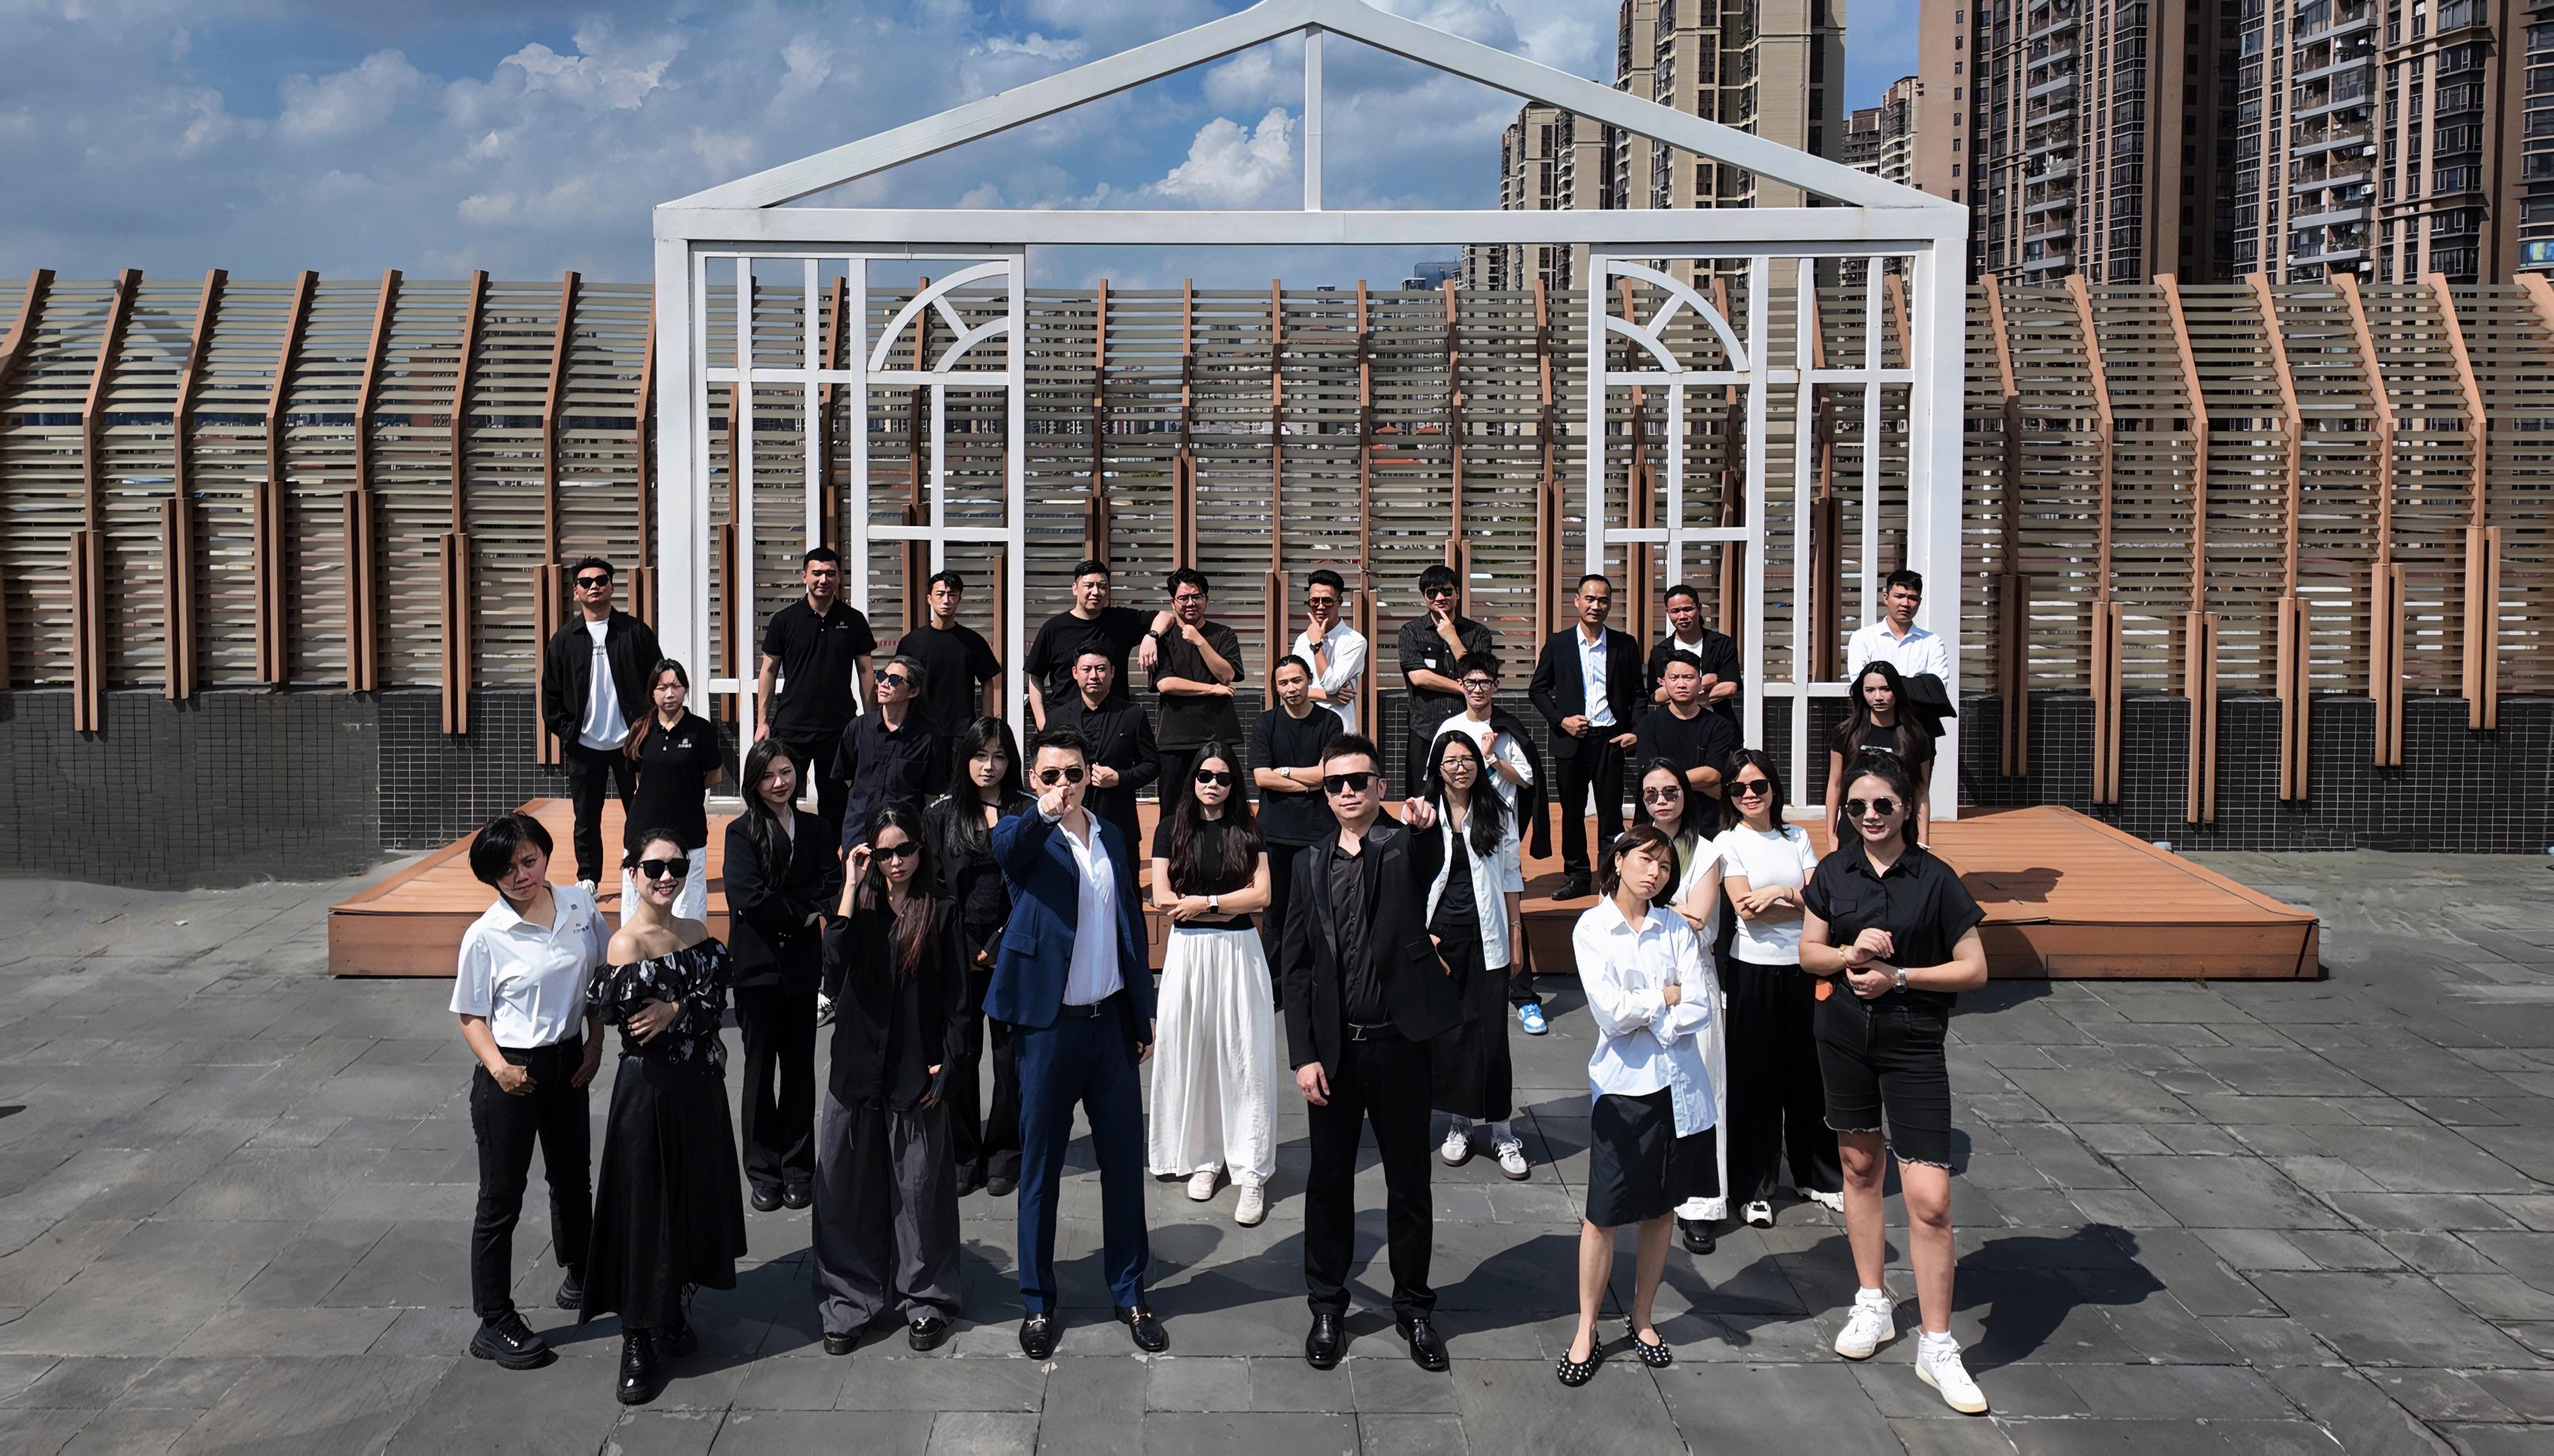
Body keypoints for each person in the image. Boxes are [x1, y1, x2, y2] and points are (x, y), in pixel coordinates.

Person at [1800, 752, 1991, 1416]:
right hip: (1842, 1035)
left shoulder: (1935, 878)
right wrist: (1848, 954)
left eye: (1882, 804)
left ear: (1907, 807)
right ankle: (1872, 1301)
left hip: (1912, 1042)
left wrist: (1899, 977)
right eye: (1857, 806)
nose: (1870, 816)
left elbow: (1973, 968)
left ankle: (1937, 1346)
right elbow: (1808, 954)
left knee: (1930, 1199)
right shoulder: (1834, 871)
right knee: (1857, 1168)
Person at [1281, 734, 1460, 1375]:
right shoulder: (1309, 862)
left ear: (1379, 786)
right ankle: (1327, 1305)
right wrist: (1302, 1054)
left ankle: (1413, 1307)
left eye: (1358, 780)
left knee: (1408, 1184)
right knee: (1328, 1182)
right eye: (1335, 783)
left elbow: (1431, 858)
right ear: (1325, 793)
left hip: (1400, 1046)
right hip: (1335, 1054)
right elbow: (1296, 965)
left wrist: (1426, 825)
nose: (1347, 791)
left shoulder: (1401, 844)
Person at [991, 730, 1165, 1358]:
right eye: (1050, 774)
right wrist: (1042, 811)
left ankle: (1130, 1292)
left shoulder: (1111, 835)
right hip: (1049, 1028)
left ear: (1090, 774)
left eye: (1072, 773)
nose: (1063, 784)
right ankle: (1038, 1302)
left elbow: (1127, 926)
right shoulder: (1023, 833)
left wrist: (1141, 1016)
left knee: (1122, 1165)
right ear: (1032, 779)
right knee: (1040, 1168)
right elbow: (1007, 851)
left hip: (1109, 1022)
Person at [583, 828, 746, 1406]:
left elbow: (715, 1003)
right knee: (643, 1210)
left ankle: (673, 1305)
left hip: (699, 1089)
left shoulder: (697, 932)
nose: (666, 877)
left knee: (689, 1198)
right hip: (648, 1094)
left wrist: (677, 1007)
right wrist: (690, 1008)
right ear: (632, 875)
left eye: (676, 866)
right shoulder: (625, 946)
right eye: (653, 868)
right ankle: (636, 1338)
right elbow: (639, 1025)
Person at [1559, 825, 1717, 1387]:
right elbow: (1608, 1012)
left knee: (1661, 1209)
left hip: (1678, 1086)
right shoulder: (1591, 928)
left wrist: (1650, 1010)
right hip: (1622, 1088)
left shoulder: (1675, 927)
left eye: (1665, 866)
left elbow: (1698, 1004)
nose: (1655, 872)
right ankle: (1586, 1328)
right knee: (1602, 1214)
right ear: (1619, 860)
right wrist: (1664, 998)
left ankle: (1643, 1317)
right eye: (1646, 859)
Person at [450, 811, 605, 1373]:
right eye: (506, 870)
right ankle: (493, 1319)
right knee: (501, 1199)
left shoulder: (579, 906)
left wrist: (595, 1043)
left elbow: (599, 980)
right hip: (511, 1074)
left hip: (568, 1063)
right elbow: (471, 1015)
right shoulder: (486, 935)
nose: (520, 876)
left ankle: (582, 1274)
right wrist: (500, 1070)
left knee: (573, 1179)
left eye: (528, 861)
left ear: (545, 855)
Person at [812, 806, 969, 1356]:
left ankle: (926, 1297)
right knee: (844, 1190)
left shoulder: (941, 910)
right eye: (884, 853)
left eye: (904, 850)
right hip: (856, 1066)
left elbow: (958, 999)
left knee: (919, 1190)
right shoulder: (860, 907)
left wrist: (949, 1062)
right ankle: (848, 1301)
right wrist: (850, 887)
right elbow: (834, 962)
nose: (896, 862)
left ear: (921, 847)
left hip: (914, 1068)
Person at [1147, 741, 1279, 1225]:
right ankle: (1206, 1158)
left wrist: (1206, 905)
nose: (1213, 784)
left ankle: (1251, 1169)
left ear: (1234, 783)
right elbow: (1162, 895)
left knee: (1245, 1056)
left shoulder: (1248, 827)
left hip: (1238, 951)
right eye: (1205, 775)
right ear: (1194, 778)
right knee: (1193, 1052)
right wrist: (1224, 904)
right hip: (1187, 954)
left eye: (1223, 777)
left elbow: (1261, 896)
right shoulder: (1170, 828)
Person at [1713, 749, 1842, 1234]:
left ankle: (1817, 1175)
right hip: (1753, 971)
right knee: (1755, 1081)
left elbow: (1823, 902)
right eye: (1738, 788)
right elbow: (1746, 909)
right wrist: (1798, 901)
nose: (1749, 795)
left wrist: (1781, 894)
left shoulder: (1796, 836)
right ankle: (1753, 1187)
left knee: (1810, 1074)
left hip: (1804, 966)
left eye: (1758, 785)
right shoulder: (1727, 842)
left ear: (1773, 787)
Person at [723, 740, 844, 1214]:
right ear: (754, 782)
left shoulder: (816, 828)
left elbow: (830, 885)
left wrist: (804, 906)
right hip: (756, 969)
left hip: (801, 968)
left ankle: (798, 1170)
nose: (780, 782)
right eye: (769, 774)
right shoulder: (740, 832)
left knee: (798, 1071)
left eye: (787, 772)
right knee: (757, 1072)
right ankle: (763, 1171)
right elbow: (749, 898)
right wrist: (803, 913)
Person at [1410, 730, 1529, 1181]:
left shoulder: (1498, 811)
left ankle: (1501, 1128)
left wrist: (1516, 933)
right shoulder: (1422, 812)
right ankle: (1459, 1124)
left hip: (1489, 934)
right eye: (1451, 760)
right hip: (1440, 937)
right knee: (1451, 1035)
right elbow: (1412, 874)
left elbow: (1512, 874)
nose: (1460, 767)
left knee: (1492, 1034)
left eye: (1467, 759)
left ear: (1479, 764)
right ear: (1437, 767)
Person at [924, 717, 1033, 1196]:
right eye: (980, 755)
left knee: (1010, 1060)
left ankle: (1006, 1152)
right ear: (964, 758)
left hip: (1011, 950)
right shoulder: (942, 814)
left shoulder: (1026, 810)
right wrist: (966, 946)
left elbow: (1034, 887)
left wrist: (999, 943)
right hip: (956, 952)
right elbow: (933, 888)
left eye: (999, 756)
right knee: (960, 1054)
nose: (989, 766)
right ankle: (963, 1153)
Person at [1631, 760, 1733, 1257]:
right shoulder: (1627, 845)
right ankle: (1649, 1187)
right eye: (1651, 794)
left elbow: (1699, 920)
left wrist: (1651, 905)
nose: (1661, 801)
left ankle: (1701, 1204)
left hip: (1692, 979)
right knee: (1644, 1087)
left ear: (1685, 796)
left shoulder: (1707, 851)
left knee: (1702, 1089)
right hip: (1640, 981)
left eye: (1670, 791)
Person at [1433, 651, 1550, 1032]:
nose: (1478, 689)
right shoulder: (1449, 727)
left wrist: (1493, 758)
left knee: (1509, 903)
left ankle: (1524, 997)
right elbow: (1435, 775)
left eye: (1485, 682)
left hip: (1498, 830)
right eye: (1471, 682)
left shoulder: (1507, 728)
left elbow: (1528, 779)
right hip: (1456, 829)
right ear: (1461, 685)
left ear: (1496, 686)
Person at [538, 557, 662, 891]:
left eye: (601, 580)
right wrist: (569, 732)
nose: (594, 586)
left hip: (631, 742)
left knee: (641, 812)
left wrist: (649, 730)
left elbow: (658, 680)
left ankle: (642, 869)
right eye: (586, 582)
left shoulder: (635, 632)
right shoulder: (564, 639)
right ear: (576, 591)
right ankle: (588, 877)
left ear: (611, 586)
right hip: (584, 745)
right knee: (586, 817)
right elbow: (550, 694)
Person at [1530, 574, 1645, 899]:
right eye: (1590, 599)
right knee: (1572, 812)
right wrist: (1561, 720)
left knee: (1611, 814)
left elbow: (1639, 694)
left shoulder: (1625, 644)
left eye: (1603, 600)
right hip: (1572, 742)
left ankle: (1610, 877)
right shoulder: (1558, 643)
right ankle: (1578, 876)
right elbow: (1537, 689)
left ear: (1610, 605)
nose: (1596, 606)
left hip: (1611, 740)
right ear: (1577, 601)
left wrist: (1634, 731)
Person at [757, 547, 878, 834]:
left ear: (839, 578)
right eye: (817, 573)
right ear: (804, 576)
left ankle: (827, 857)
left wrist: (872, 720)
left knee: (836, 804)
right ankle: (789, 853)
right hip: (792, 727)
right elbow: (769, 670)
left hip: (838, 729)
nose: (823, 579)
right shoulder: (784, 620)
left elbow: (865, 671)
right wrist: (762, 722)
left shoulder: (854, 620)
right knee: (782, 797)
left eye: (830, 573)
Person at [1249, 654, 1342, 991]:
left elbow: (1325, 774)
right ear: (1276, 687)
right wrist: (1306, 783)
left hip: (1319, 830)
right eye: (1284, 682)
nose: (1291, 688)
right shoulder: (1265, 723)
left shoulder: (1330, 722)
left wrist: (1285, 772)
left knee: (1319, 908)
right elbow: (1262, 777)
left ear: (1309, 681)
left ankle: (1319, 981)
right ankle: (1274, 985)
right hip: (1275, 831)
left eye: (1297, 680)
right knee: (1275, 910)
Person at [617, 659, 724, 923]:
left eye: (676, 686)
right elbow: (640, 779)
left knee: (689, 907)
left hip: (688, 830)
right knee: (637, 906)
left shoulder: (701, 730)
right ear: (652, 693)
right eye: (662, 687)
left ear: (685, 689)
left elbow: (715, 775)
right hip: (643, 830)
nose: (670, 693)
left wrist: (683, 786)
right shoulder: (641, 729)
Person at [1146, 567, 1246, 819]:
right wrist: (1211, 689)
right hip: (1175, 739)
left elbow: (1227, 675)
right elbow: (1165, 684)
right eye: (1183, 598)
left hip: (1217, 736)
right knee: (1173, 812)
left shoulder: (1223, 635)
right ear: (1173, 602)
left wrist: (1200, 641)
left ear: (1206, 600)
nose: (1191, 603)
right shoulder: (1164, 639)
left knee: (1222, 808)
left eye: (1197, 596)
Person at [1043, 648, 1160, 861]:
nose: (1094, 676)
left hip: (1118, 822)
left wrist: (1120, 778)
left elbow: (1152, 764)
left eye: (1100, 669)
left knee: (1123, 881)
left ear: (1112, 672)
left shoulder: (1132, 715)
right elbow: (1045, 767)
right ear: (1075, 673)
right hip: (1068, 822)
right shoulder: (1057, 718)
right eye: (1086, 669)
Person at [832, 654, 950, 855]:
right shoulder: (858, 728)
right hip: (858, 834)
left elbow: (931, 795)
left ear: (913, 691)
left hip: (902, 839)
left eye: (895, 680)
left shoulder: (927, 737)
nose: (884, 684)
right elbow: (847, 778)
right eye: (882, 676)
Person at [1024, 558, 1157, 730]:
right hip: (1066, 726)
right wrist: (1043, 724)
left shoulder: (1120, 620)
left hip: (1113, 724)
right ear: (1075, 588)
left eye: (1102, 586)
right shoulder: (1054, 629)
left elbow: (1165, 617)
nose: (1096, 592)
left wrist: (1151, 636)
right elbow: (1035, 676)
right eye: (1089, 586)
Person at [1395, 562, 1495, 788]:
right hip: (1425, 728)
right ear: (1424, 597)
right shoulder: (1411, 632)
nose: (1440, 597)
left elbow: (1479, 675)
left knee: (1468, 791)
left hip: (1469, 727)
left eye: (1447, 591)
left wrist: (1453, 638)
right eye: (1432, 592)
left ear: (1457, 593)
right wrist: (1463, 687)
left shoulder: (1478, 633)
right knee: (1421, 795)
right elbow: (1419, 677)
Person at [1824, 661, 1937, 847]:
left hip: (1900, 829)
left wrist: (1924, 837)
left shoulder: (1916, 736)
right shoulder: (1845, 734)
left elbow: (1921, 790)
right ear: (1862, 693)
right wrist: (1830, 833)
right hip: (1854, 826)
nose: (1878, 697)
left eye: (1885, 689)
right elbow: (1835, 784)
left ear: (1897, 691)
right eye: (1870, 690)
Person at [898, 570, 1004, 756]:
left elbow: (988, 679)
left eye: (952, 595)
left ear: (959, 599)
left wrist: (985, 722)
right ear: (929, 599)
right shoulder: (912, 642)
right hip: (919, 730)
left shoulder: (972, 641)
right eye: (940, 594)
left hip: (962, 732)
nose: (946, 600)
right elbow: (899, 681)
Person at [1636, 650, 1740, 806]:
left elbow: (1712, 775)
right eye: (1674, 678)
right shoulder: (1649, 724)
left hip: (1705, 813)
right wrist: (1702, 787)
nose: (1681, 684)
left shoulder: (1718, 725)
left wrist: (1667, 783)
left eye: (1688, 677)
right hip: (1662, 809)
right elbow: (1651, 777)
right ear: (1664, 682)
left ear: (1700, 682)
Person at [1645, 582, 1743, 732]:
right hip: (1674, 731)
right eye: (1675, 611)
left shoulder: (1721, 644)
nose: (1682, 616)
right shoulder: (1660, 652)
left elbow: (1729, 688)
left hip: (1717, 728)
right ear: (1667, 612)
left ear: (1699, 608)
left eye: (1688, 609)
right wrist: (1702, 684)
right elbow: (1657, 696)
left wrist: (1682, 698)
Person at [1289, 568, 1368, 735]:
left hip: (1339, 729)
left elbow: (1331, 685)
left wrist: (1317, 645)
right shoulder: (1302, 640)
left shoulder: (1354, 641)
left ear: (1339, 602)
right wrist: (1329, 697)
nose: (1320, 606)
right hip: (1303, 727)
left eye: (1327, 601)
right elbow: (1292, 688)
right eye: (1314, 601)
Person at [1844, 568, 1953, 684]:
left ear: (1919, 602)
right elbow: (1861, 686)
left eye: (1913, 598)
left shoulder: (1932, 642)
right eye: (1899, 596)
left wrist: (1884, 684)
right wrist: (1917, 684)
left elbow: (1937, 687)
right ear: (1886, 598)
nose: (1906, 603)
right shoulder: (1863, 638)